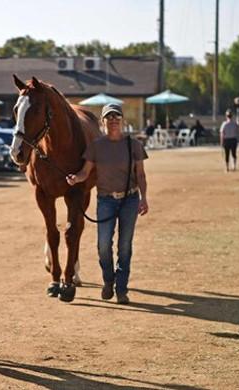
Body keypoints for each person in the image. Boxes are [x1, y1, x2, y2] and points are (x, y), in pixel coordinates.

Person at [65, 103, 149, 304]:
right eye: (109, 117)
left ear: (122, 121)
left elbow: (141, 174)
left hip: (129, 199)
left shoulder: (134, 145)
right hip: (106, 201)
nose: (113, 121)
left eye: (116, 117)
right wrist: (76, 178)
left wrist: (144, 197)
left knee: (125, 246)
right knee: (103, 246)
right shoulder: (96, 146)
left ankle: (121, 289)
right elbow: (86, 172)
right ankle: (108, 281)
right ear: (103, 122)